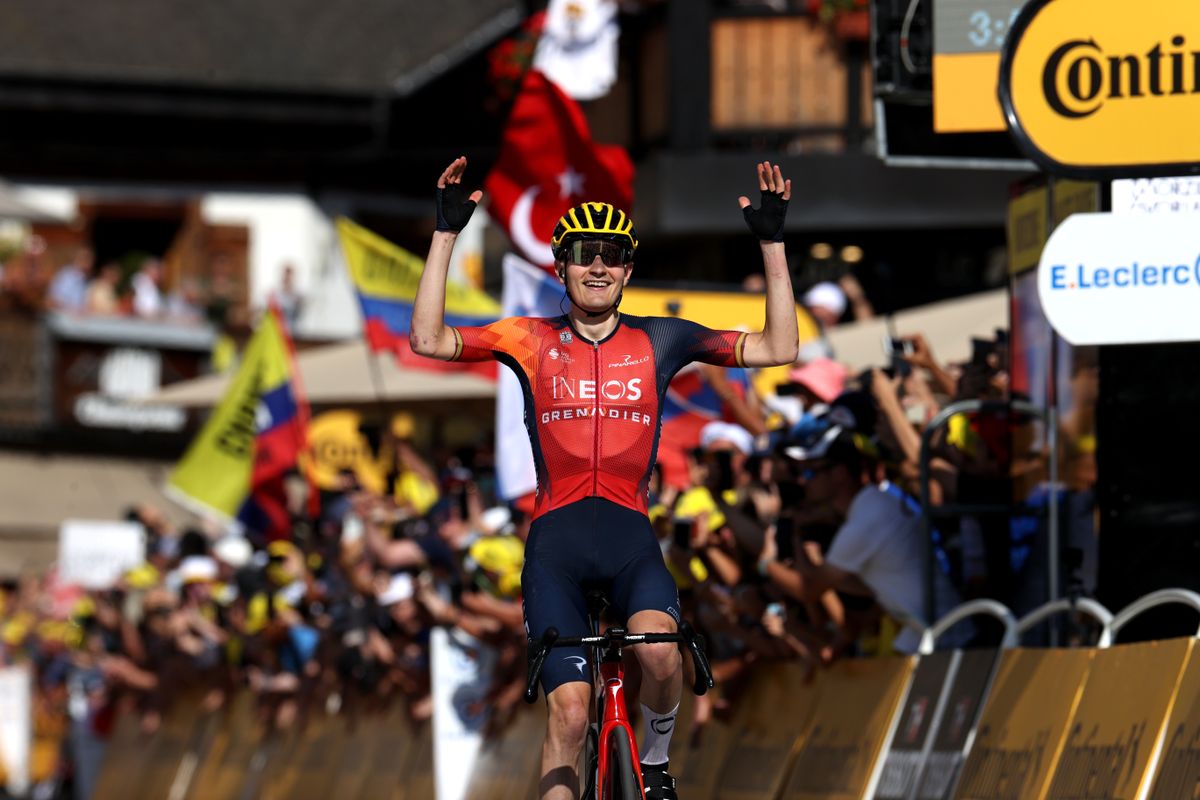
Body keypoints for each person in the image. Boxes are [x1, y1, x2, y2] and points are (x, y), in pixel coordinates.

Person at [411, 156, 798, 800]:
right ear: (560, 267)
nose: (598, 266)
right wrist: (445, 235)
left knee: (662, 652)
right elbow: (428, 340)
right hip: (556, 549)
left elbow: (779, 349)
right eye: (584, 254)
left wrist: (773, 244)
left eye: (612, 256)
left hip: (629, 541)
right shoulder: (529, 338)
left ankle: (657, 761)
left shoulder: (663, 339)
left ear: (628, 270)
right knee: (568, 714)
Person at [47, 247, 95, 313]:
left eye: (90, 260)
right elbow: (55, 300)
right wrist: (73, 309)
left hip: (78, 314)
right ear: (77, 259)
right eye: (86, 259)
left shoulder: (85, 277)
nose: (89, 264)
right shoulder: (66, 276)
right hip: (62, 313)